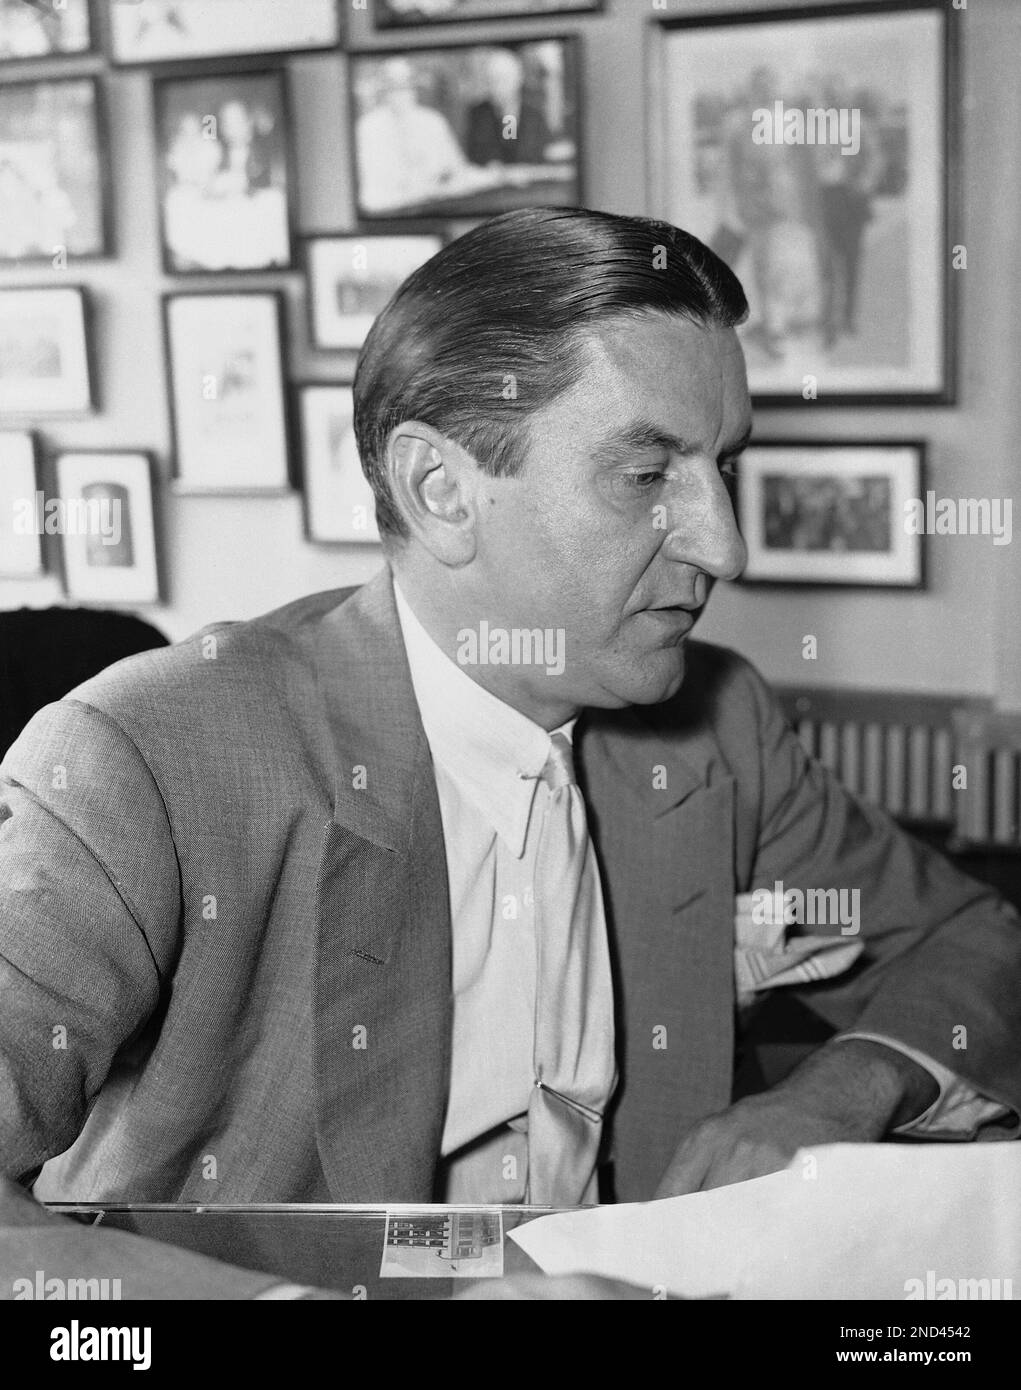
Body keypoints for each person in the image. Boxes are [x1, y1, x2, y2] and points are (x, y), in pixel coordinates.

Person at [1, 210, 1019, 1277]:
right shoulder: (141, 757)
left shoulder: (720, 723)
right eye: (646, 474)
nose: (724, 542)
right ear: (442, 493)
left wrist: (837, 1086)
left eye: (722, 465)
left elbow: (972, 940)